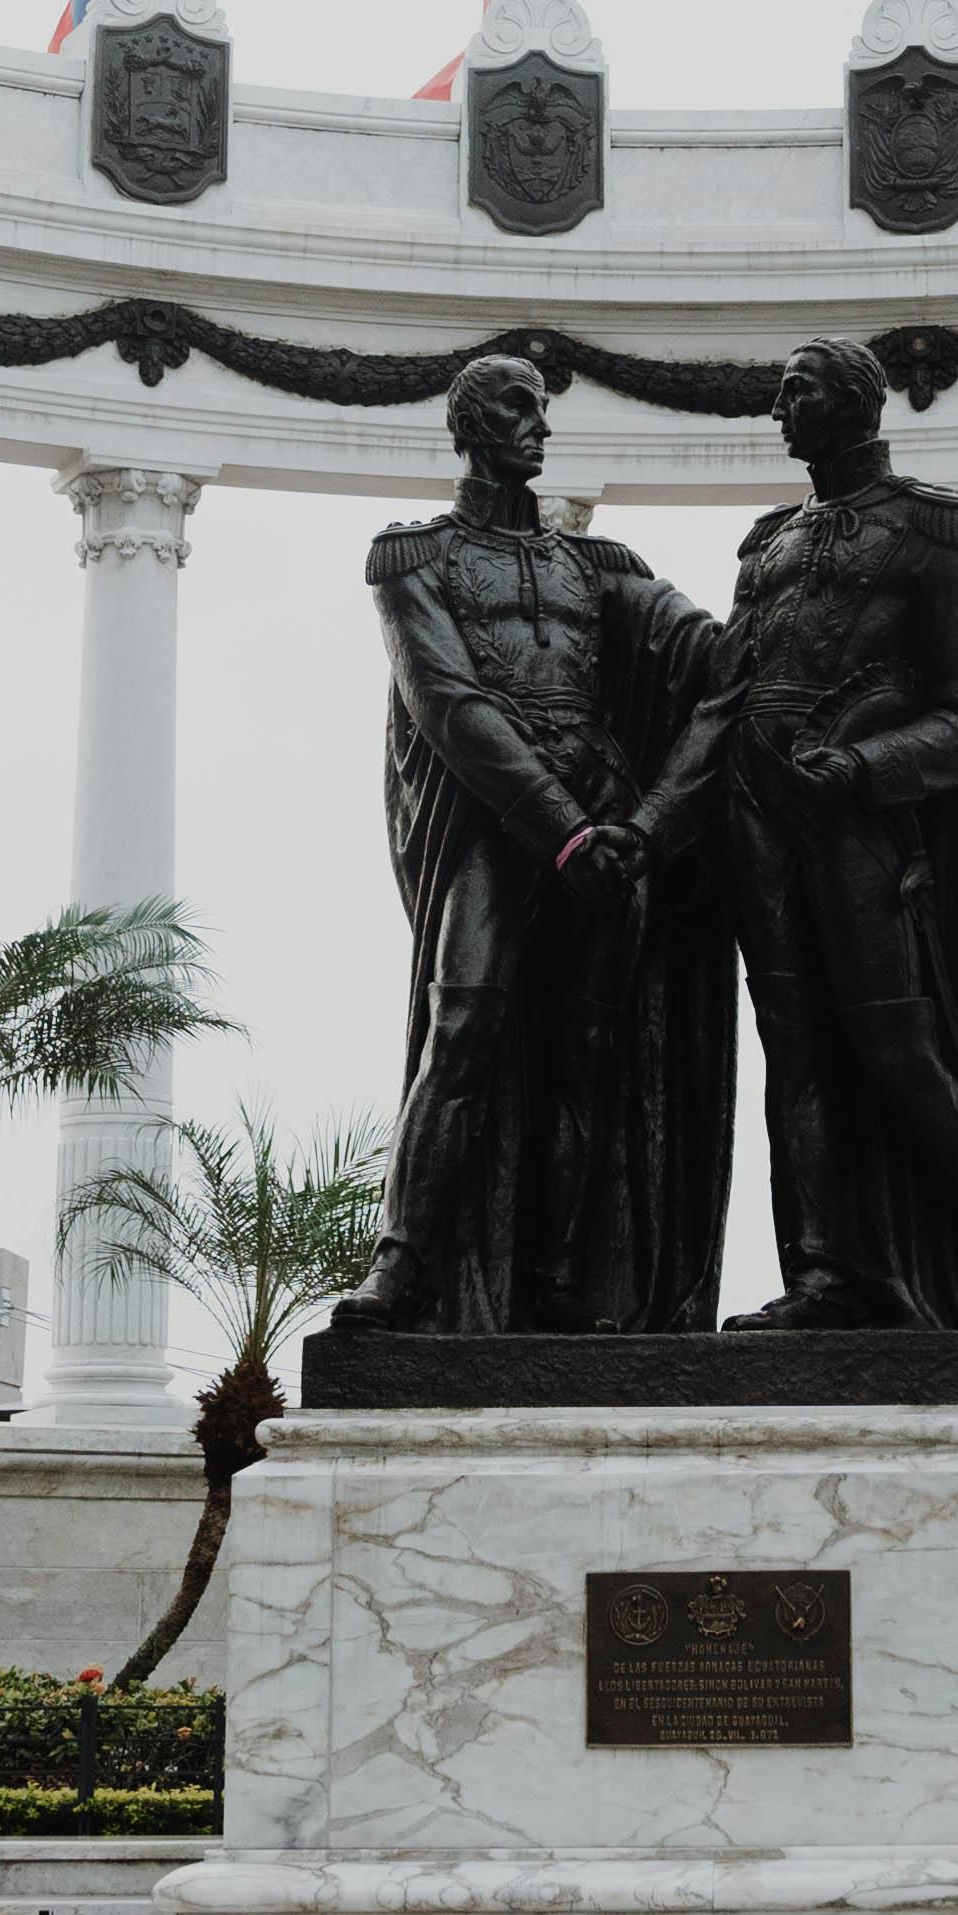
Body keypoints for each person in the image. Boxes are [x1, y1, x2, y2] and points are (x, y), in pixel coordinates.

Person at [343, 354, 732, 1333]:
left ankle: (561, 1275)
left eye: (542, 410)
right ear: (469, 426)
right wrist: (563, 833)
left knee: (589, 1055)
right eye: (519, 409)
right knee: (461, 1026)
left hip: (609, 824)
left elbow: (710, 654)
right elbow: (450, 704)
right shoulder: (411, 557)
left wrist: (784, 625)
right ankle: (401, 1263)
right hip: (501, 823)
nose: (540, 429)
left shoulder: (602, 568)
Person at [711, 337, 958, 1331]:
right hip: (756, 811)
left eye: (800, 387)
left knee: (898, 1044)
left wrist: (864, 767)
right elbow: (726, 683)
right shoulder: (764, 542)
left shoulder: (935, 528)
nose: (780, 405)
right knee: (797, 1054)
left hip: (859, 820)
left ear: (860, 403)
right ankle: (831, 1273)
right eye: (780, 388)